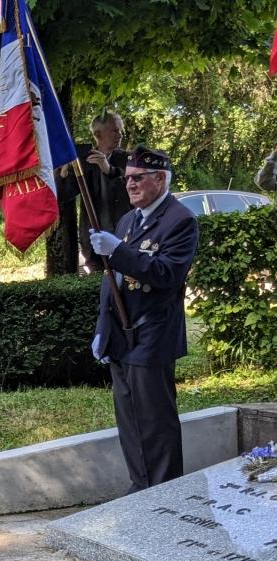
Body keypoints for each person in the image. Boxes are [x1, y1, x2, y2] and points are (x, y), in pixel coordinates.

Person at [89, 146, 199, 494]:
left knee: (155, 423)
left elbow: (167, 273)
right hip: (121, 335)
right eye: (127, 179)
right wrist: (102, 330)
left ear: (160, 179)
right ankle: (140, 487)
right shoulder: (128, 220)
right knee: (130, 422)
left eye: (138, 178)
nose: (130, 185)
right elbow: (112, 283)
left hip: (152, 333)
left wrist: (118, 251)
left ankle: (163, 491)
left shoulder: (180, 220)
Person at [77, 112, 131, 272]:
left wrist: (109, 171)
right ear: (98, 134)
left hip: (124, 238)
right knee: (99, 284)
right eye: (115, 131)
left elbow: (134, 189)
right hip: (94, 243)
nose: (120, 135)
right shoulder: (84, 161)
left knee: (125, 282)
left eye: (120, 131)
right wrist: (63, 173)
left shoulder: (129, 159)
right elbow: (64, 194)